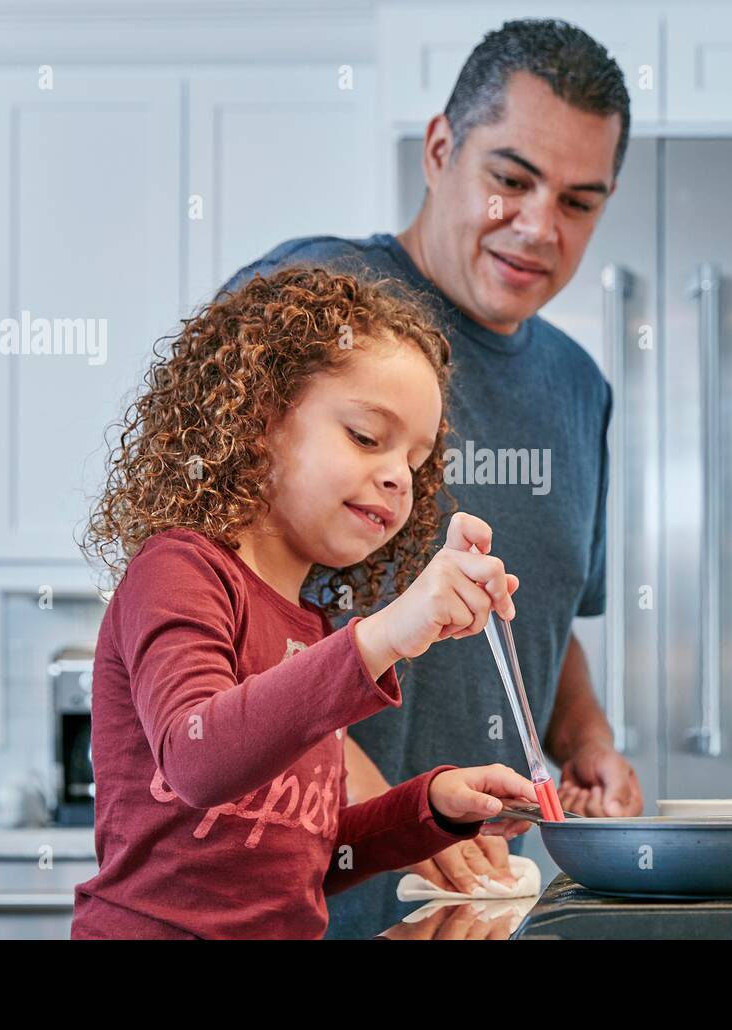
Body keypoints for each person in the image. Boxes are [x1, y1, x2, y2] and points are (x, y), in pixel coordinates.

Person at [220, 18, 644, 939]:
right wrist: (376, 797)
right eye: (510, 179)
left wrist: (588, 741)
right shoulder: (311, 296)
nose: (539, 227)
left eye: (579, 202)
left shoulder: (579, 389)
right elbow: (196, 577)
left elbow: (547, 612)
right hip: (292, 905)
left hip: (481, 912)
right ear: (442, 149)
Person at [71, 266, 536, 939]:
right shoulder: (178, 571)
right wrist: (385, 635)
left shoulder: (308, 623)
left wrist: (429, 807)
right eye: (368, 437)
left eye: (416, 460)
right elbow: (197, 759)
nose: (397, 477)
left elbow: (298, 855)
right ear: (257, 419)